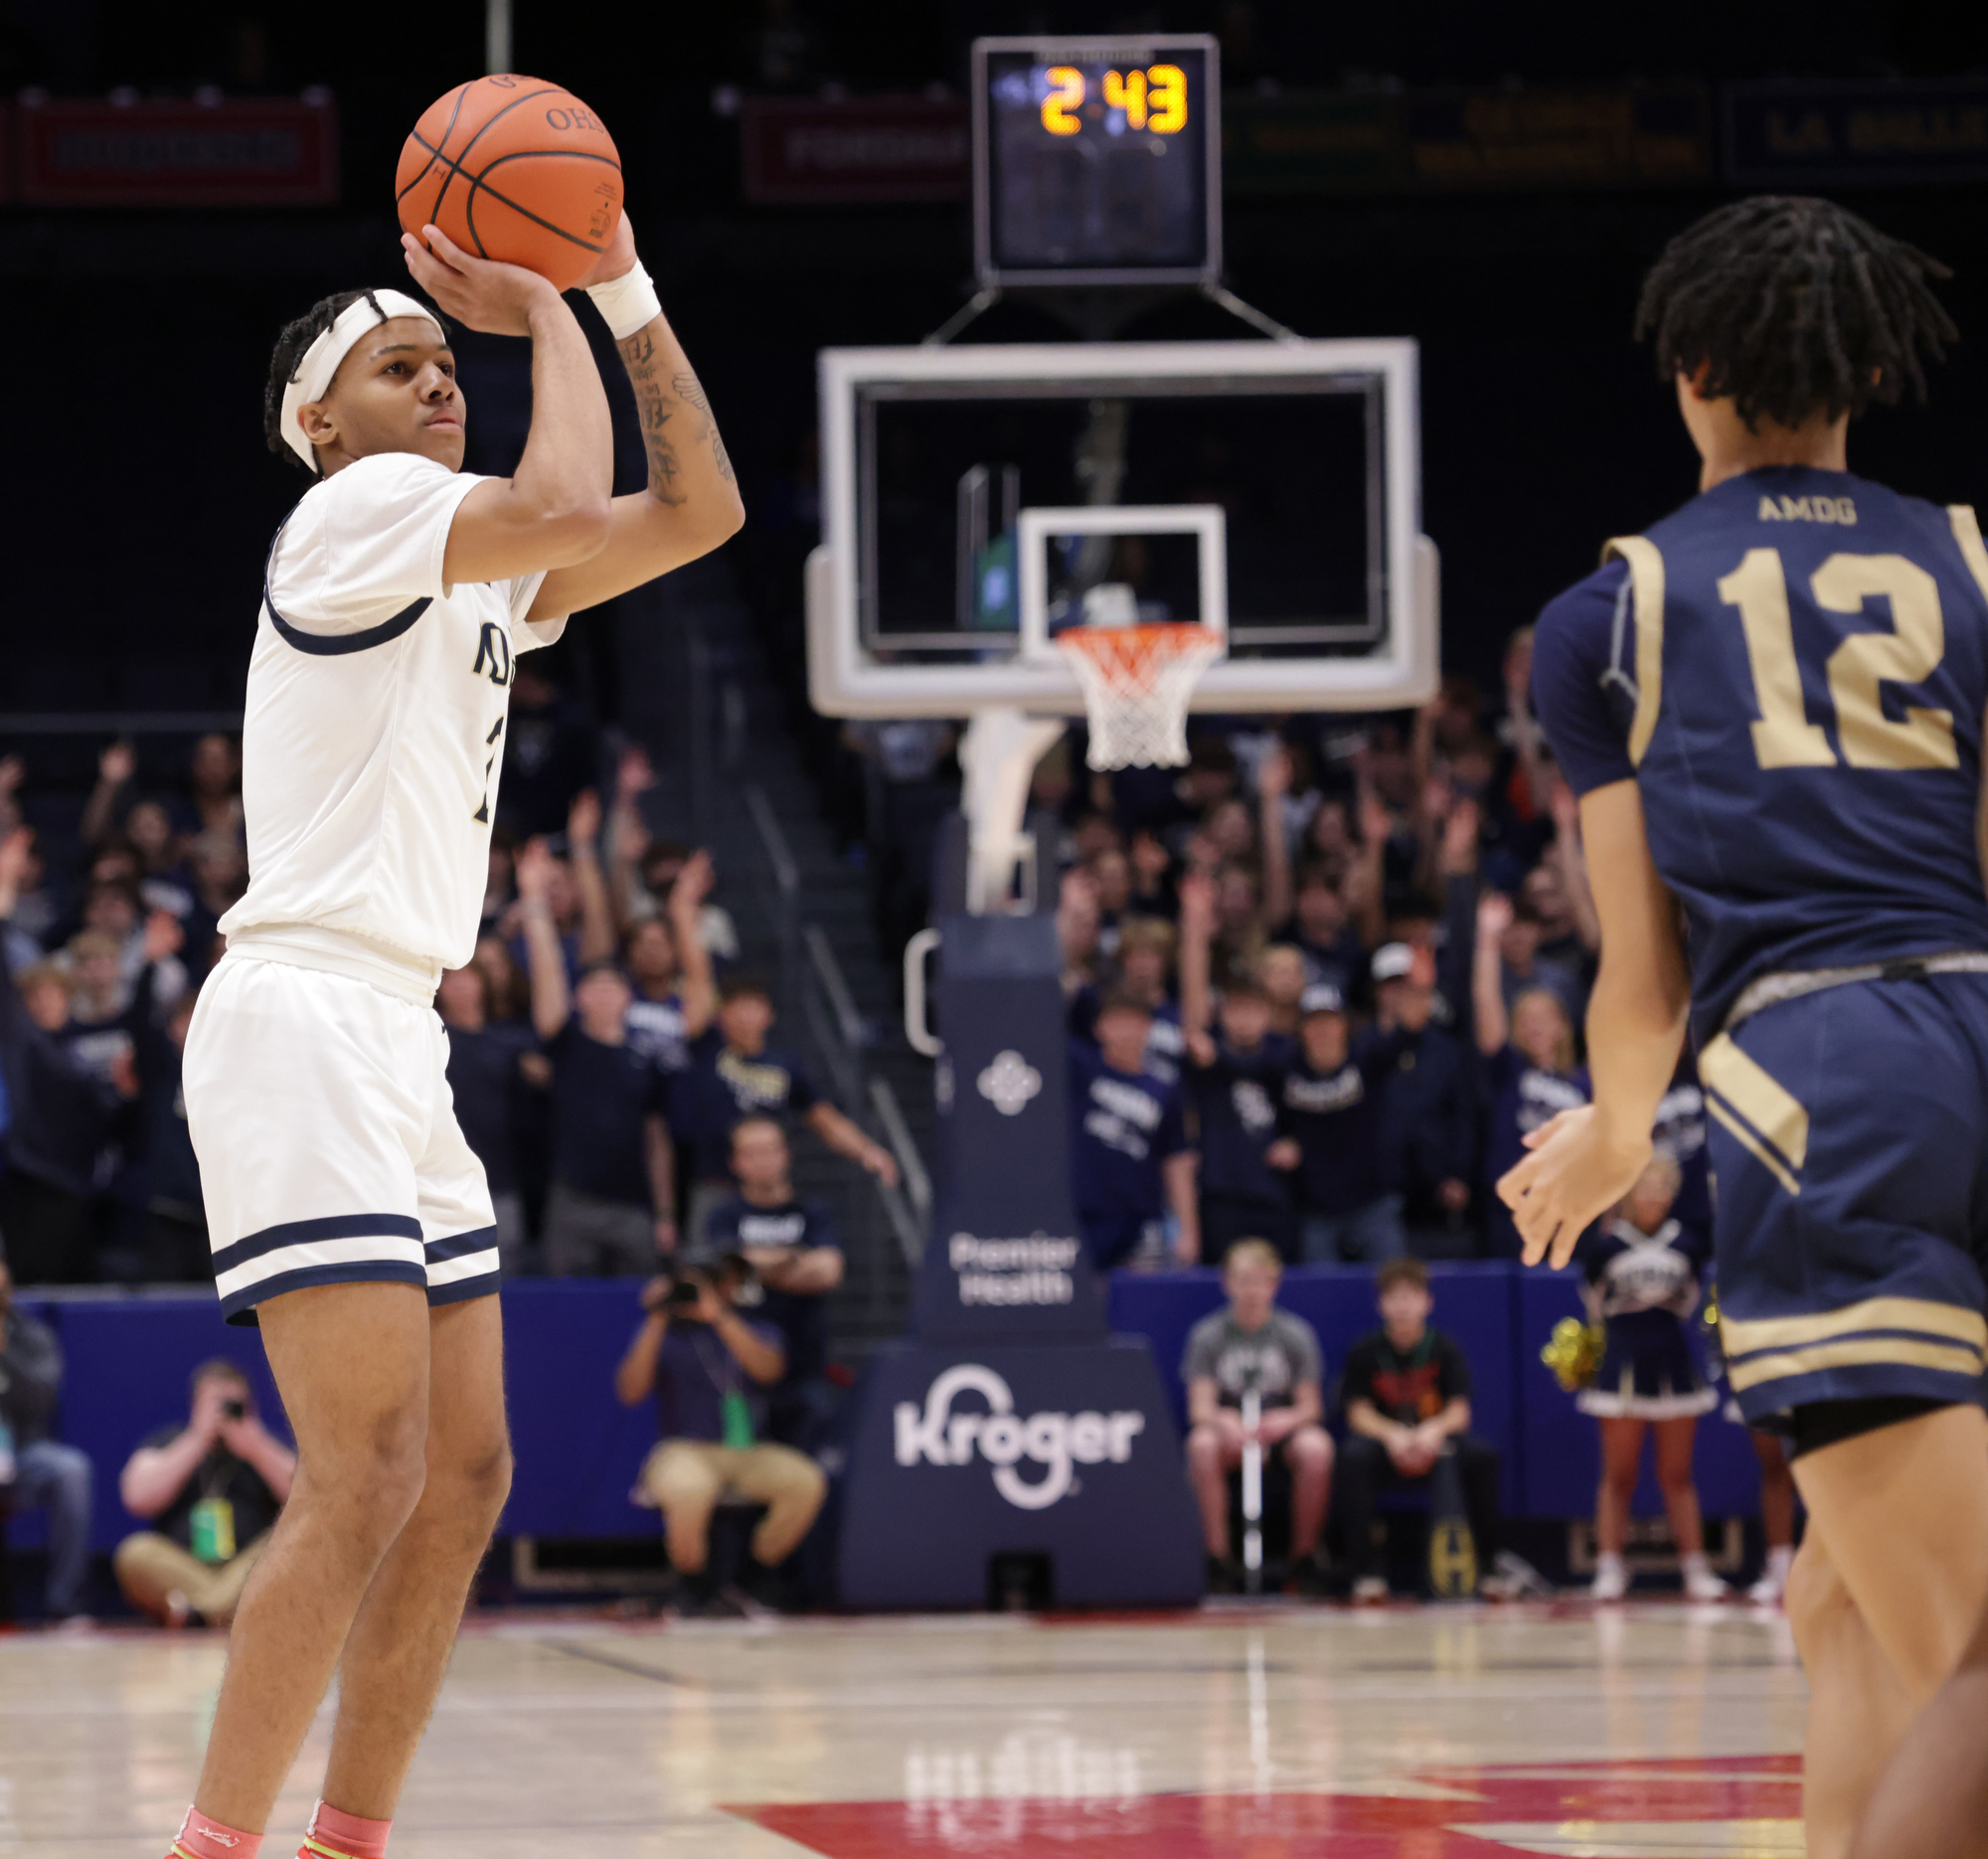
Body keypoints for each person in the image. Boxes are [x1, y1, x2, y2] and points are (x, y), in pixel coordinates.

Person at [162, 207, 743, 1859]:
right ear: (319, 426)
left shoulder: (464, 561)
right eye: (398, 365)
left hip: (396, 1029)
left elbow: (699, 508)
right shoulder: (352, 518)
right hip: (307, 1010)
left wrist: (627, 282)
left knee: (464, 1476)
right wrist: (545, 300)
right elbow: (565, 494)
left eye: (442, 362)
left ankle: (351, 1843)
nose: (436, 384)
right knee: (360, 1478)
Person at [1504, 196, 1988, 1859]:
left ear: (1691, 369)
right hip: (1977, 1035)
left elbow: (1644, 967)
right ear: (1870, 366)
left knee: (1971, 1666)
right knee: (1840, 1612)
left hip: (1826, 1078)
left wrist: (1615, 1131)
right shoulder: (1975, 557)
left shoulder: (1615, 610)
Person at [613, 1252, 826, 1616]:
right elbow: (630, 1392)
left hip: (749, 1450)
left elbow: (769, 1371)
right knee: (689, 1488)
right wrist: (657, 1316)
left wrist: (720, 1317)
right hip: (685, 1447)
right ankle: (694, 1584)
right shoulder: (666, 1334)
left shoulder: (757, 1328)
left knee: (805, 1481)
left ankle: (748, 1579)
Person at [520, 838, 677, 1273]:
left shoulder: (646, 1059)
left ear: (629, 999)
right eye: (595, 987)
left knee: (638, 1310)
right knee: (568, 1310)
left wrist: (665, 1213)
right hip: (574, 1200)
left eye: (614, 987)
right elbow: (548, 970)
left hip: (634, 1205)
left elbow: (657, 1140)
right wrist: (533, 898)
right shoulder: (567, 1041)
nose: (605, 994)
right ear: (580, 997)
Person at [1574, 1152, 1726, 1603]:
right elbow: (1594, 1306)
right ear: (1627, 1193)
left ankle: (1696, 1569)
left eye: (1662, 1185)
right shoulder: (1605, 1247)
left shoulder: (1690, 1243)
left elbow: (1695, 1300)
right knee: (1617, 1475)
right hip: (1622, 1361)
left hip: (1674, 1362)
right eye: (1644, 1185)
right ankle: (1609, 1567)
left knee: (1677, 1475)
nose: (1653, 1194)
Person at [0, 827, 137, 1284]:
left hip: (77, 1191)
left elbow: (110, 1114)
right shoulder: (23, 1046)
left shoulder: (69, 1055)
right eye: (33, 998)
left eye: (51, 996)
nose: (43, 1005)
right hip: (28, 1186)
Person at [669, 974, 897, 1244]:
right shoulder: (704, 1050)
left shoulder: (784, 1065)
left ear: (769, 1015)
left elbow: (824, 1118)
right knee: (707, 1267)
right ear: (721, 1014)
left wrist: (866, 1150)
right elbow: (698, 979)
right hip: (715, 1184)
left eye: (753, 1007)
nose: (744, 1016)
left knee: (779, 1264)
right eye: (736, 1007)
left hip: (767, 1191)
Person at [1336, 1258, 1503, 1604]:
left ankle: (1488, 1567)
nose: (1402, 1307)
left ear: (1428, 1302)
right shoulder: (1365, 1350)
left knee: (1482, 1456)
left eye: (1410, 1297)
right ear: (1380, 1304)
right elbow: (1357, 1412)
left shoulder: (1444, 1348)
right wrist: (1392, 1434)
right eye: (1394, 1298)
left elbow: (1459, 1410)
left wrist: (1432, 1431)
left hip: (1435, 1443)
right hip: (1387, 1446)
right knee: (1353, 1458)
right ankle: (1366, 1572)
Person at [1182, 1239, 1333, 1594]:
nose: (1252, 1291)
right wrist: (1223, 1420)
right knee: (1201, 1444)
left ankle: (1304, 1557)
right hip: (1231, 1434)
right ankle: (1217, 1558)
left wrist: (1287, 1420)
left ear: (1274, 1284)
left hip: (1279, 1433)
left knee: (1317, 1449)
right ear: (1227, 1283)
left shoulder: (1295, 1334)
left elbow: (1311, 1407)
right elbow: (1198, 1408)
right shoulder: (1208, 1335)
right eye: (1243, 1281)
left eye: (1260, 1281)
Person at [115, 1359, 295, 1628]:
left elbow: (309, 1501)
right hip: (183, 1568)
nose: (223, 1415)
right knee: (135, 1552)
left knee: (288, 1544)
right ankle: (223, 1609)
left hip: (247, 1567)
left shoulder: (267, 1446)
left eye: (234, 1406)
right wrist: (197, 1440)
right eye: (215, 1405)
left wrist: (257, 1448)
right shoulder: (168, 1441)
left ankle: (199, 1613)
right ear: (194, 1407)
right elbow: (137, 1498)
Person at [700, 1116, 844, 1449]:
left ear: (785, 1155)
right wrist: (795, 1259)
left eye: (770, 1150)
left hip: (807, 1368)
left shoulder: (812, 1212)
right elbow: (726, 1277)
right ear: (736, 1163)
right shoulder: (724, 1216)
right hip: (741, 1374)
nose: (763, 1160)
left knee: (810, 1476)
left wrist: (755, 1264)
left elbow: (829, 1273)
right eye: (752, 1153)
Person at [1180, 874, 1298, 1261]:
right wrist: (1195, 932)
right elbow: (1194, 1016)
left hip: (1274, 1193)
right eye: (1237, 1009)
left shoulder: (1283, 1055)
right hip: (1221, 1196)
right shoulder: (1206, 1057)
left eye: (1254, 1010)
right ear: (1224, 1012)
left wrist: (1298, 1143)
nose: (1245, 1019)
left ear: (1269, 1013)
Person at [1473, 892, 1590, 1260]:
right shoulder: (1511, 1069)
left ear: (1563, 1026)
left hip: (1570, 1202)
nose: (1536, 1027)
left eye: (1544, 1018)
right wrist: (1488, 941)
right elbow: (1487, 1006)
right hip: (1513, 1202)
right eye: (1526, 1020)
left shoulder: (1586, 1081)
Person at [1275, 984, 1407, 1265]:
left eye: (1330, 1021)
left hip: (1373, 1202)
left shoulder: (1367, 1060)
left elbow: (1405, 1037)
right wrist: (1280, 1141)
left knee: (1394, 1282)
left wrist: (1415, 993)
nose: (1323, 1031)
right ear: (1302, 1029)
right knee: (1321, 1295)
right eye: (1314, 1023)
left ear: (1344, 1025)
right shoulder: (1284, 1070)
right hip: (1316, 1209)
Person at [1069, 992, 1199, 1268]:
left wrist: (1188, 1230)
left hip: (1139, 1216)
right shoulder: (1079, 1069)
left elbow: (1176, 1160)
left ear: (1150, 1029)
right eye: (1116, 1022)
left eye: (1134, 1022)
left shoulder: (1166, 1087)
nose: (1126, 1031)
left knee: (1140, 1299)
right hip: (1082, 1212)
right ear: (1098, 1028)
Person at [0, 1260, 94, 1621]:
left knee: (70, 1470)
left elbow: (43, 1400)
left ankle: (65, 1605)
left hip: (21, 1454)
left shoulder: (30, 1336)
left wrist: (5, 1355)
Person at [1368, 942, 1476, 1255]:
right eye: (1393, 985)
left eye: (1410, 988)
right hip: (1376, 1190)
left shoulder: (1446, 1050)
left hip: (1437, 1189)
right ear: (1378, 990)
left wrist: (1458, 1174)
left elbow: (1462, 1114)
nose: (1401, 995)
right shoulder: (1360, 1045)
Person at [435, 963, 540, 1277]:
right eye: (452, 979)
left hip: (500, 1182)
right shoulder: (430, 1040)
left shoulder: (508, 1045)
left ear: (484, 985)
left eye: (469, 977)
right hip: (442, 1182)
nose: (461, 986)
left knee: (505, 1277)